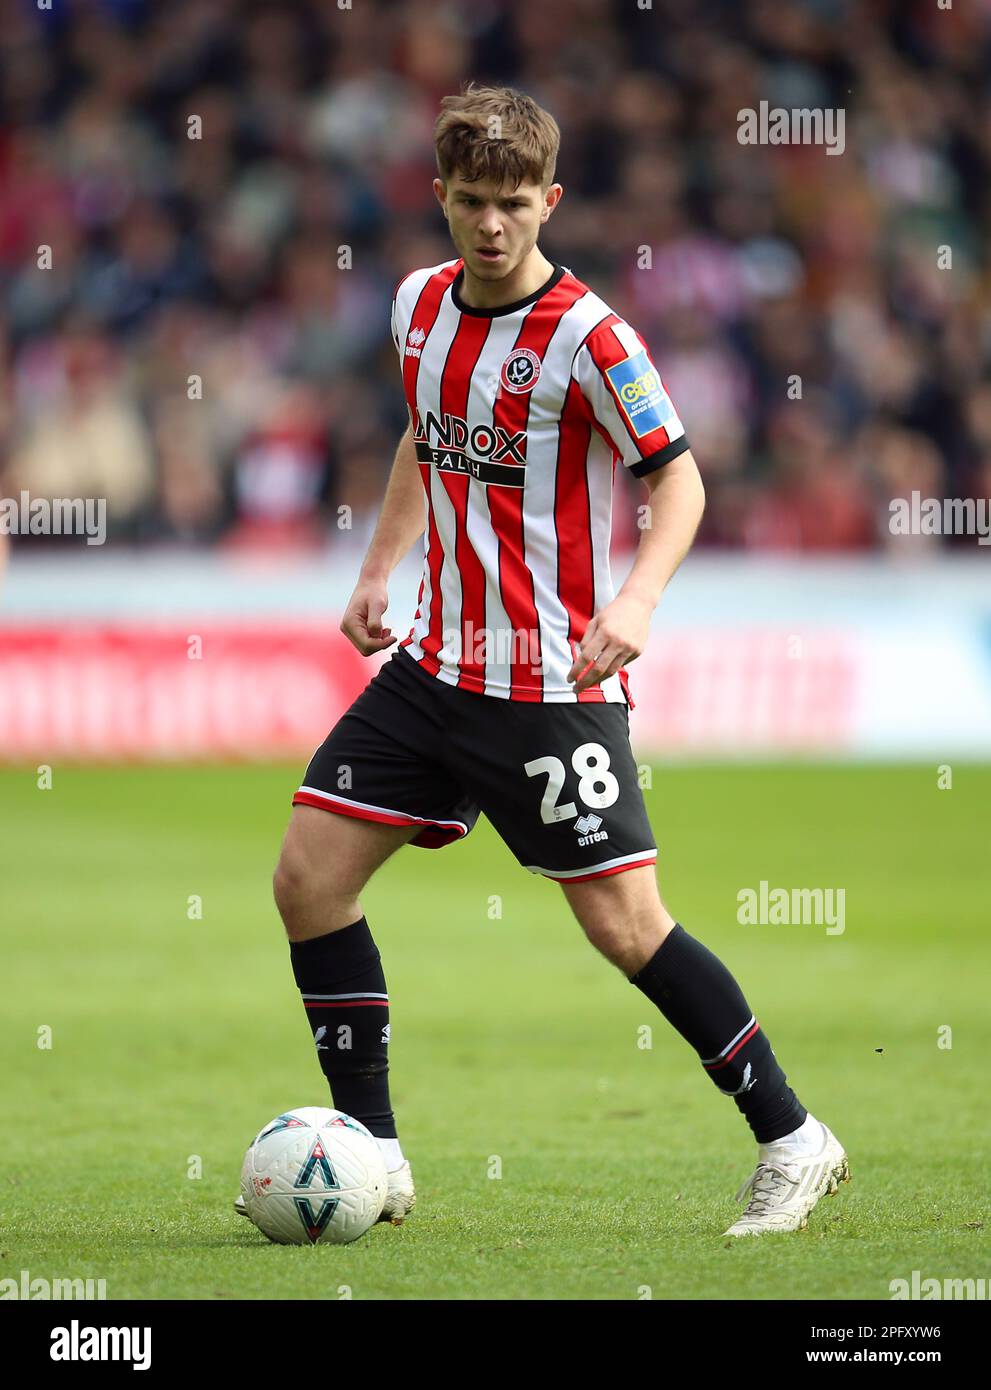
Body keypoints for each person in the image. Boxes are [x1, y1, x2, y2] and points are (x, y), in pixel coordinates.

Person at [242, 84, 849, 1238]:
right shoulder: (417, 306)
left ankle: (792, 1136)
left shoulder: (591, 337)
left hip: (551, 685)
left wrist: (638, 598)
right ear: (439, 196)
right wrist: (379, 570)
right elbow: (426, 433)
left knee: (627, 928)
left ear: (549, 201)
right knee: (306, 879)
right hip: (434, 669)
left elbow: (679, 477)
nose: (489, 225)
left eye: (513, 203)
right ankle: (371, 1150)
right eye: (470, 201)